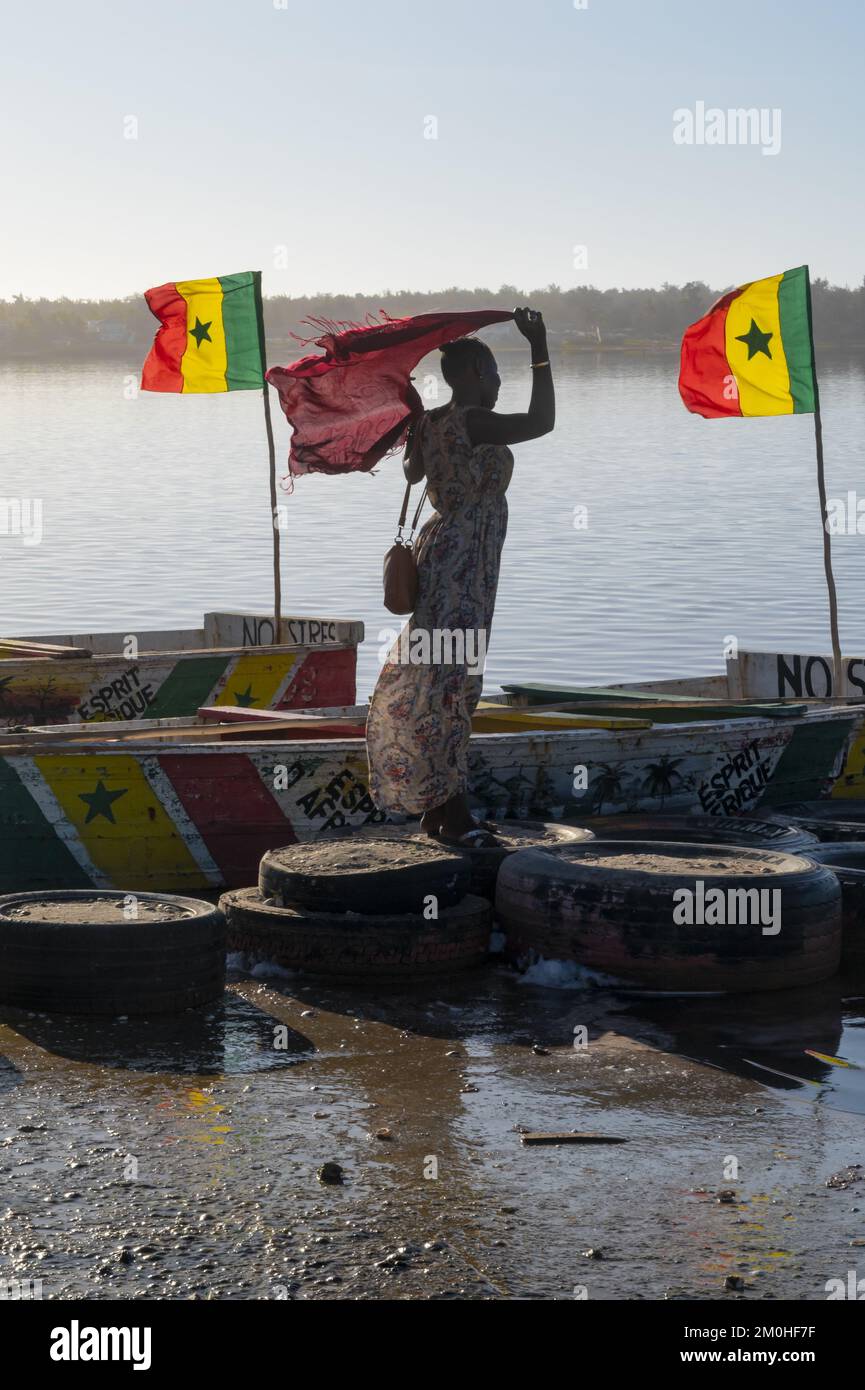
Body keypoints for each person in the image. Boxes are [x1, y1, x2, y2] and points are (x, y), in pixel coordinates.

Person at [366, 307, 555, 847]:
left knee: (443, 680)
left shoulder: (430, 424)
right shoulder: (473, 420)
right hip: (462, 570)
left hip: (450, 559)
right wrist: (540, 349)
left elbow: (411, 471)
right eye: (494, 372)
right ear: (472, 375)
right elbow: (542, 422)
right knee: (453, 684)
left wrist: (415, 414)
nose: (498, 382)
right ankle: (454, 814)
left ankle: (440, 808)